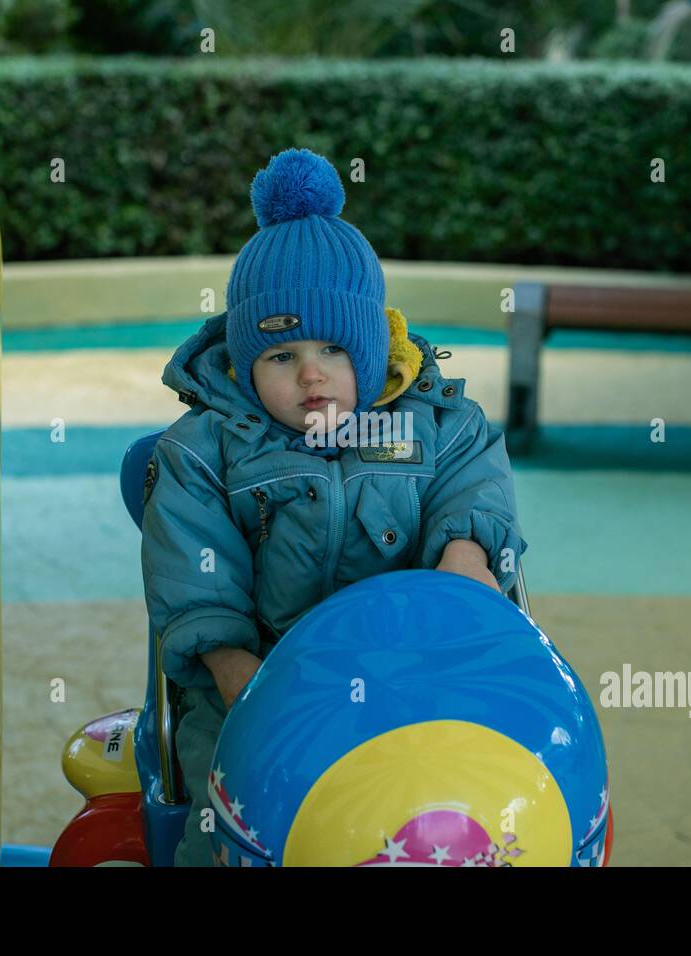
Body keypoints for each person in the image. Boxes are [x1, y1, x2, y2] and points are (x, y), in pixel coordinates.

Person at [139, 147, 527, 866]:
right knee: (224, 817)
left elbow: (473, 480)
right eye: (280, 357)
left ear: (374, 349)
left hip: (415, 670)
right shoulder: (204, 451)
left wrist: (465, 552)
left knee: (480, 789)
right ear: (244, 364)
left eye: (334, 349)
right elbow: (193, 579)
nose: (311, 373)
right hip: (258, 683)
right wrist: (234, 668)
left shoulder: (437, 423)